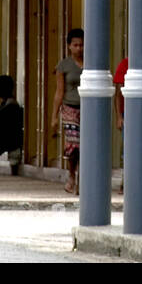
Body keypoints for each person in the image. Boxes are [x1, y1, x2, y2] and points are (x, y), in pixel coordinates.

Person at [52, 29, 84, 194]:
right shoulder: (63, 65)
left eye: (81, 45)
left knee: (87, 145)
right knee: (74, 145)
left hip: (89, 109)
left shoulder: (92, 62)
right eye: (75, 45)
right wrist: (54, 116)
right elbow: (59, 91)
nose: (79, 48)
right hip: (70, 108)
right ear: (69, 46)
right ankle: (72, 174)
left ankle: (82, 179)